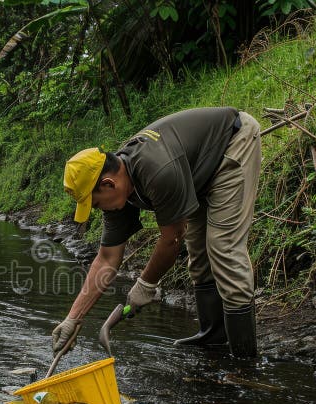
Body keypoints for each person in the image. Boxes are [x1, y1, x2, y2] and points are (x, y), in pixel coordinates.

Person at [52, 106, 261, 358]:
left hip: (231, 144)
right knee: (199, 250)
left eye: (95, 204)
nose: (97, 210)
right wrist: (73, 319)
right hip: (196, 171)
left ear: (108, 184)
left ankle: (244, 359)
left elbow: (172, 238)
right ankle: (214, 337)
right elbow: (107, 258)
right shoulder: (118, 187)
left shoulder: (158, 170)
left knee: (223, 248)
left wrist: (145, 284)